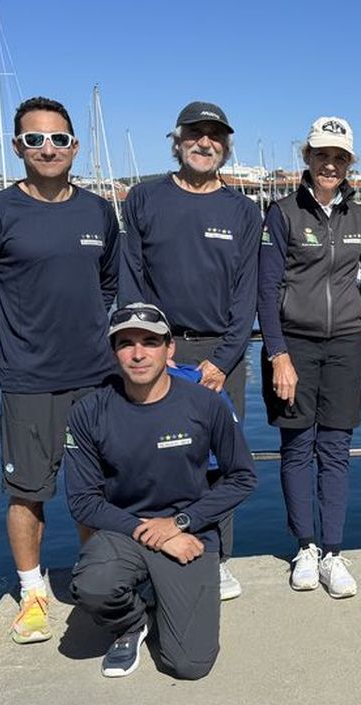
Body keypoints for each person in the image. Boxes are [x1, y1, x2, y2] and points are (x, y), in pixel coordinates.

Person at [0, 96, 118, 644]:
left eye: (58, 139)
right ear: (17, 146)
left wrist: (90, 331)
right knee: (28, 492)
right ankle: (32, 591)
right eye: (34, 139)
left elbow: (109, 284)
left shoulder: (97, 211)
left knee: (95, 489)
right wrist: (20, 338)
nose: (48, 149)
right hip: (29, 381)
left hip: (96, 376)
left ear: (75, 145)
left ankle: (99, 582)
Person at [65, 303, 257, 679]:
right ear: (113, 351)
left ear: (170, 349)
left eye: (150, 342)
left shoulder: (206, 403)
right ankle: (132, 622)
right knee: (92, 586)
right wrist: (154, 534)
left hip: (191, 534)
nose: (138, 354)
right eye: (126, 343)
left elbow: (242, 477)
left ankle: (162, 593)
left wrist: (181, 523)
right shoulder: (89, 411)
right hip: (125, 529)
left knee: (190, 665)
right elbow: (82, 500)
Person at [119, 100, 261, 601]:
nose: (205, 143)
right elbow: (130, 280)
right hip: (158, 349)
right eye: (195, 135)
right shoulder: (144, 199)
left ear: (226, 147)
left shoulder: (244, 211)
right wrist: (150, 349)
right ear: (177, 141)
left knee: (220, 464)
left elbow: (248, 294)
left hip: (221, 355)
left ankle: (216, 559)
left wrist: (222, 361)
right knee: (158, 462)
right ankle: (155, 558)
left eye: (215, 136)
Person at [257, 116, 361, 598]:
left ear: (349, 164)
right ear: (307, 157)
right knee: (295, 448)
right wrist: (278, 354)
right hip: (296, 347)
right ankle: (304, 547)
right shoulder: (282, 213)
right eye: (322, 155)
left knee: (335, 451)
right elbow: (266, 290)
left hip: (346, 345)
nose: (330, 164)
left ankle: (333, 552)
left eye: (339, 157)